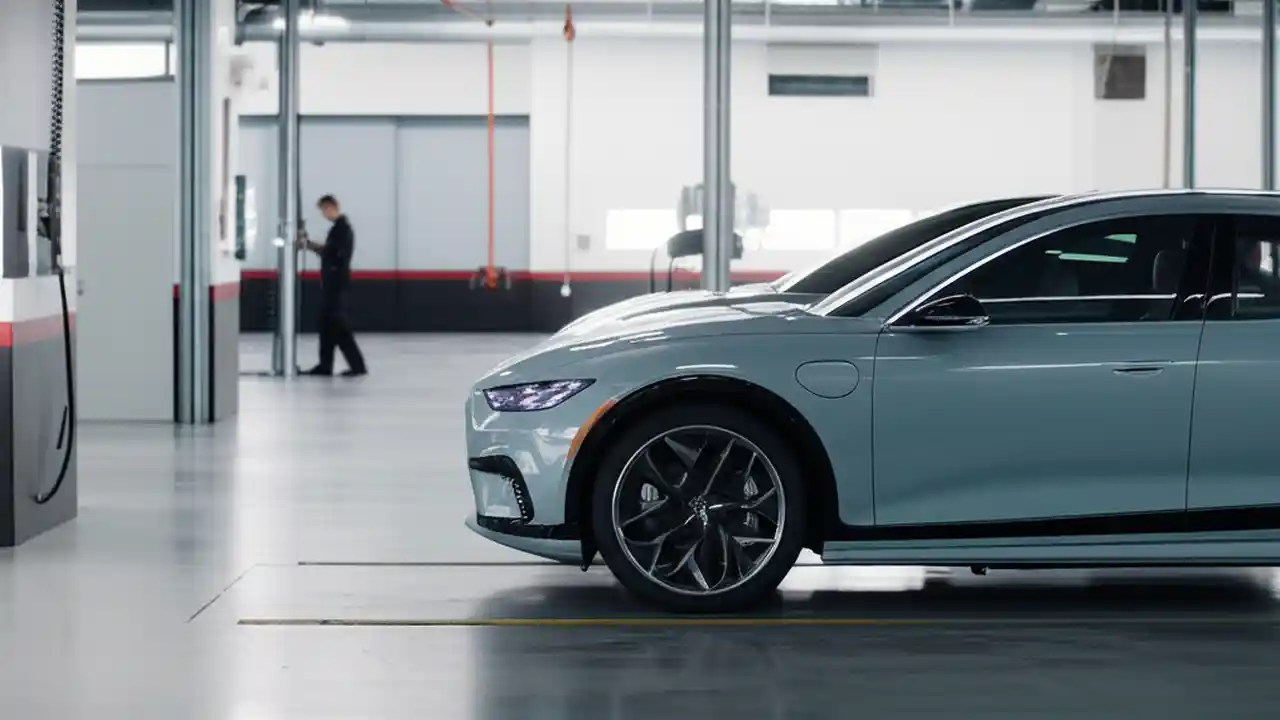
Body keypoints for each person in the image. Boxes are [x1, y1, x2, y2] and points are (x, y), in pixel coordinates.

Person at [298, 195, 368, 377]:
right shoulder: (338, 229)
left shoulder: (342, 230)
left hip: (337, 286)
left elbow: (332, 253)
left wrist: (309, 244)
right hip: (332, 285)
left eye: (324, 209)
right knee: (326, 326)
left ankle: (357, 366)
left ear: (331, 207)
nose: (323, 214)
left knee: (338, 327)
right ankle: (325, 365)